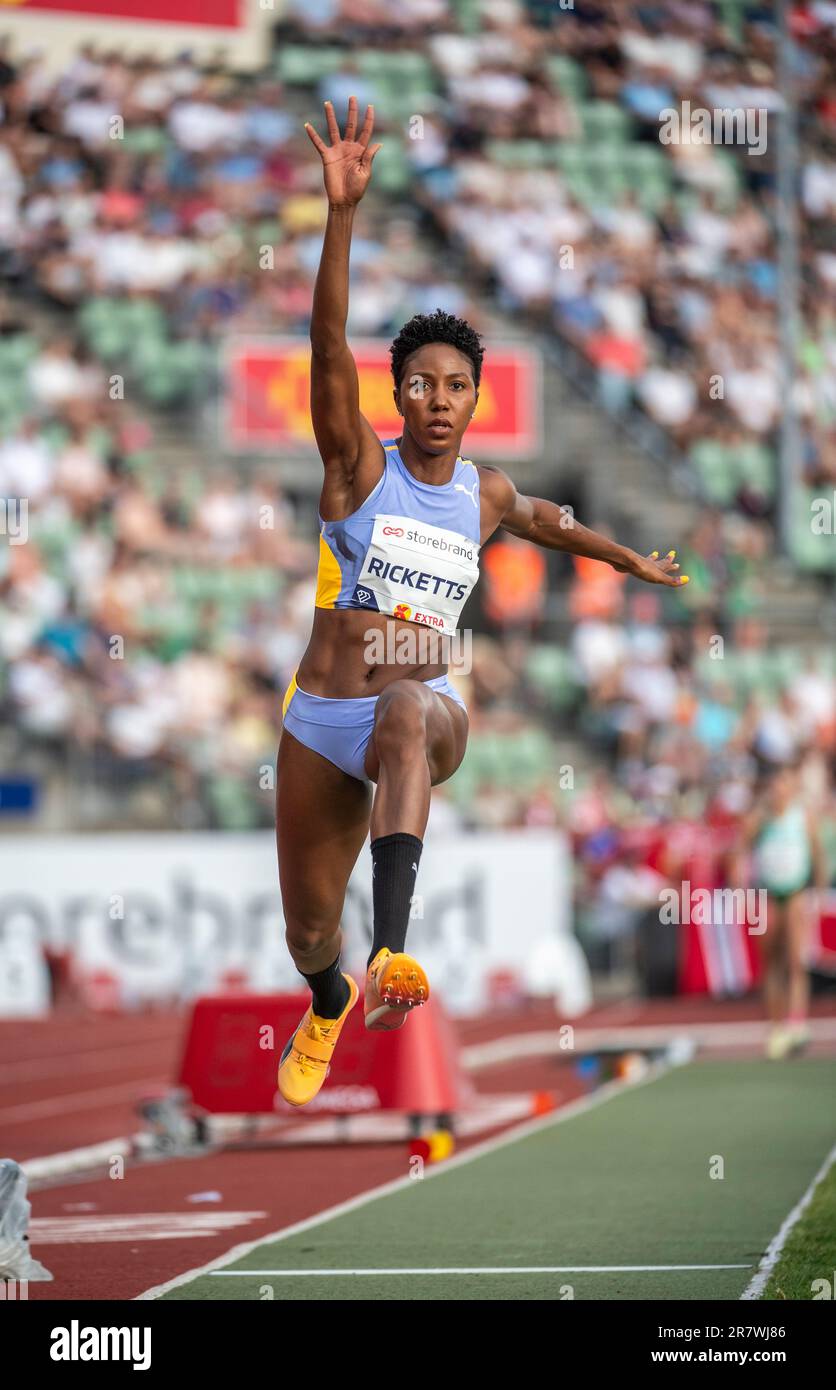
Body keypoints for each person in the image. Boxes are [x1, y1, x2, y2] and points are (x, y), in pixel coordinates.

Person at [276, 98, 689, 1107]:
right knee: (302, 932)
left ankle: (391, 959)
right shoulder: (354, 471)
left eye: (454, 384)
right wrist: (340, 215)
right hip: (319, 719)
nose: (436, 400)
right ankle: (330, 991)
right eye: (417, 384)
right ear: (398, 395)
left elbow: (547, 520)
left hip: (418, 713)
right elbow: (327, 342)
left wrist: (625, 558)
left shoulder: (484, 493)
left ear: (475, 397)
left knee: (408, 706)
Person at [739, 763, 827, 1060]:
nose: (779, 789)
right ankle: (776, 1026)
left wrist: (818, 891)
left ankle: (796, 1023)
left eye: (784, 783)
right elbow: (740, 851)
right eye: (775, 784)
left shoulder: (802, 817)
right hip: (768, 894)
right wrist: (741, 889)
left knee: (795, 961)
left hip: (794, 893)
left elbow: (816, 853)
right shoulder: (760, 819)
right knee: (772, 963)